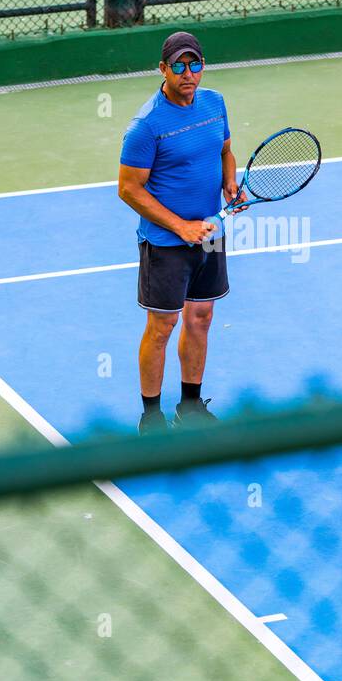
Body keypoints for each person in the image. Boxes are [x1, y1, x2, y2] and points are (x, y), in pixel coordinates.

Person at [118, 31, 243, 433]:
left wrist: (230, 182)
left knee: (202, 317)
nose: (188, 73)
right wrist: (180, 227)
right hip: (166, 243)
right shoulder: (147, 125)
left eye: (194, 65)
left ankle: (189, 406)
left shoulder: (215, 102)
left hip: (210, 230)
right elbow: (128, 189)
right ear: (163, 69)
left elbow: (225, 150)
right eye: (178, 65)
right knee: (162, 327)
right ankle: (150, 417)